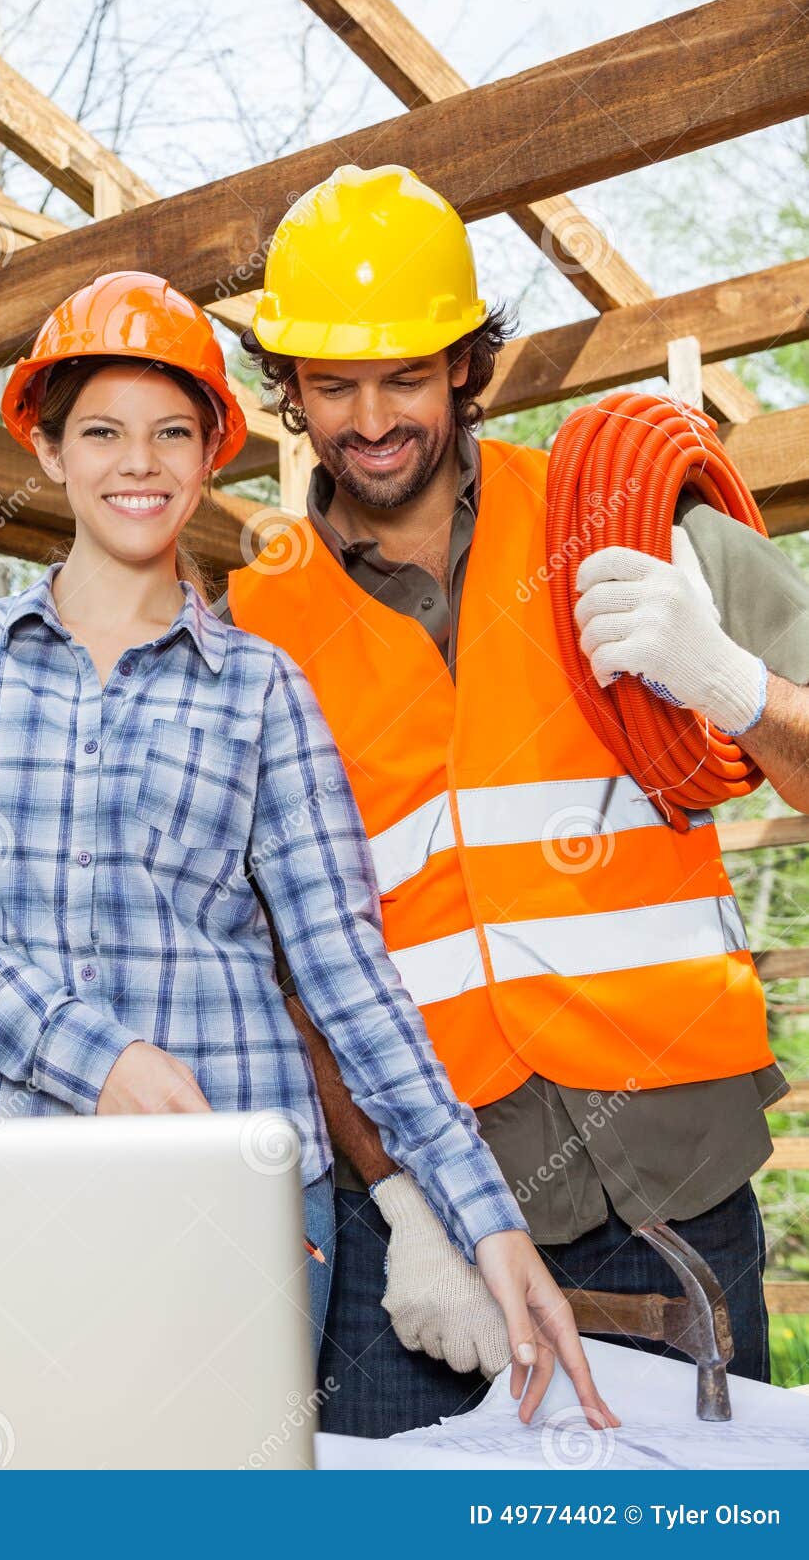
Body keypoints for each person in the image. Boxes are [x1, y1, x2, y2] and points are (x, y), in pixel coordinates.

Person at [0, 269, 617, 1428]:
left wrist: (482, 1215)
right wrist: (100, 1060)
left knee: (220, 1501)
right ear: (47, 449)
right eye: (102, 432)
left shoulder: (263, 689)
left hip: (239, 1192)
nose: (138, 462)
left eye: (172, 432)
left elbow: (346, 971)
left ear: (212, 453)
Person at [221, 162, 808, 1438]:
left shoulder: (624, 518)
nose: (371, 419)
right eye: (333, 384)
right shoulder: (253, 622)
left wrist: (729, 680)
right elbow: (276, 962)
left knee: (686, 1527)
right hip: (423, 1228)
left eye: (404, 376)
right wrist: (401, 1200)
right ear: (290, 390)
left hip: (669, 1184)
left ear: (463, 365)